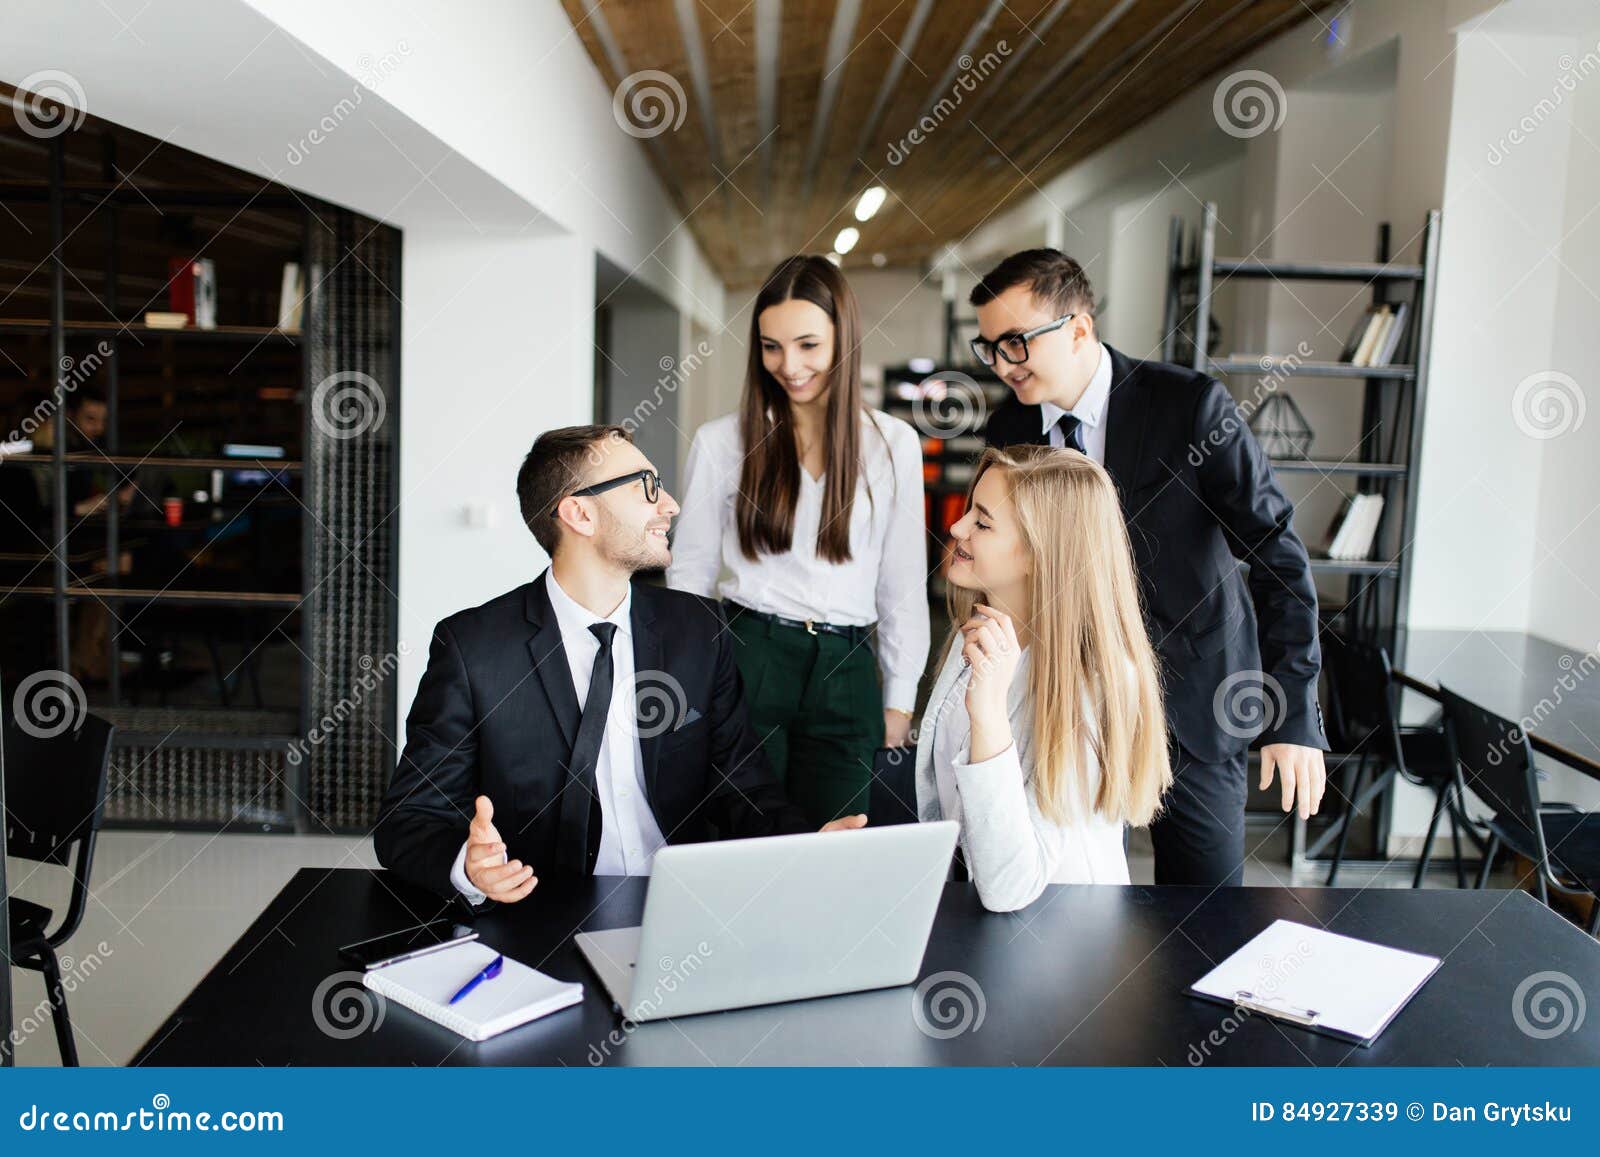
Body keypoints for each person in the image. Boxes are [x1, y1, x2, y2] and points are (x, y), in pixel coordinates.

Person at [374, 424, 866, 909]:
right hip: (541, 915)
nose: (670, 504)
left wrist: (803, 844)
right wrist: (468, 865)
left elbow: (743, 787)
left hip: (680, 908)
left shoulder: (698, 628)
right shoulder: (474, 647)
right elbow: (410, 818)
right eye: (646, 486)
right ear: (580, 514)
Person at [970, 249, 1327, 888]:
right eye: (990, 348)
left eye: (1016, 342)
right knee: (1057, 899)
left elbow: (1275, 552)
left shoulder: (1190, 406)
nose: (1002, 364)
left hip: (1194, 701)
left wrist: (1293, 707)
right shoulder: (1010, 427)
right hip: (1064, 703)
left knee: (1205, 915)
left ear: (1079, 328)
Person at [668, 255, 928, 826]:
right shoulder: (721, 442)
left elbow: (903, 582)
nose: (789, 365)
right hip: (748, 654)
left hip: (847, 668)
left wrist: (900, 696)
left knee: (840, 844)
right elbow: (689, 575)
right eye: (771, 347)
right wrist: (692, 681)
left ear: (843, 339)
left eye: (808, 345)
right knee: (742, 839)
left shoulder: (893, 444)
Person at [915, 445, 1172, 912]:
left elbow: (1010, 887)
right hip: (979, 920)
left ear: (1039, 553)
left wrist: (988, 714)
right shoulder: (976, 634)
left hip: (1064, 931)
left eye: (982, 522)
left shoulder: (1095, 682)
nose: (956, 527)